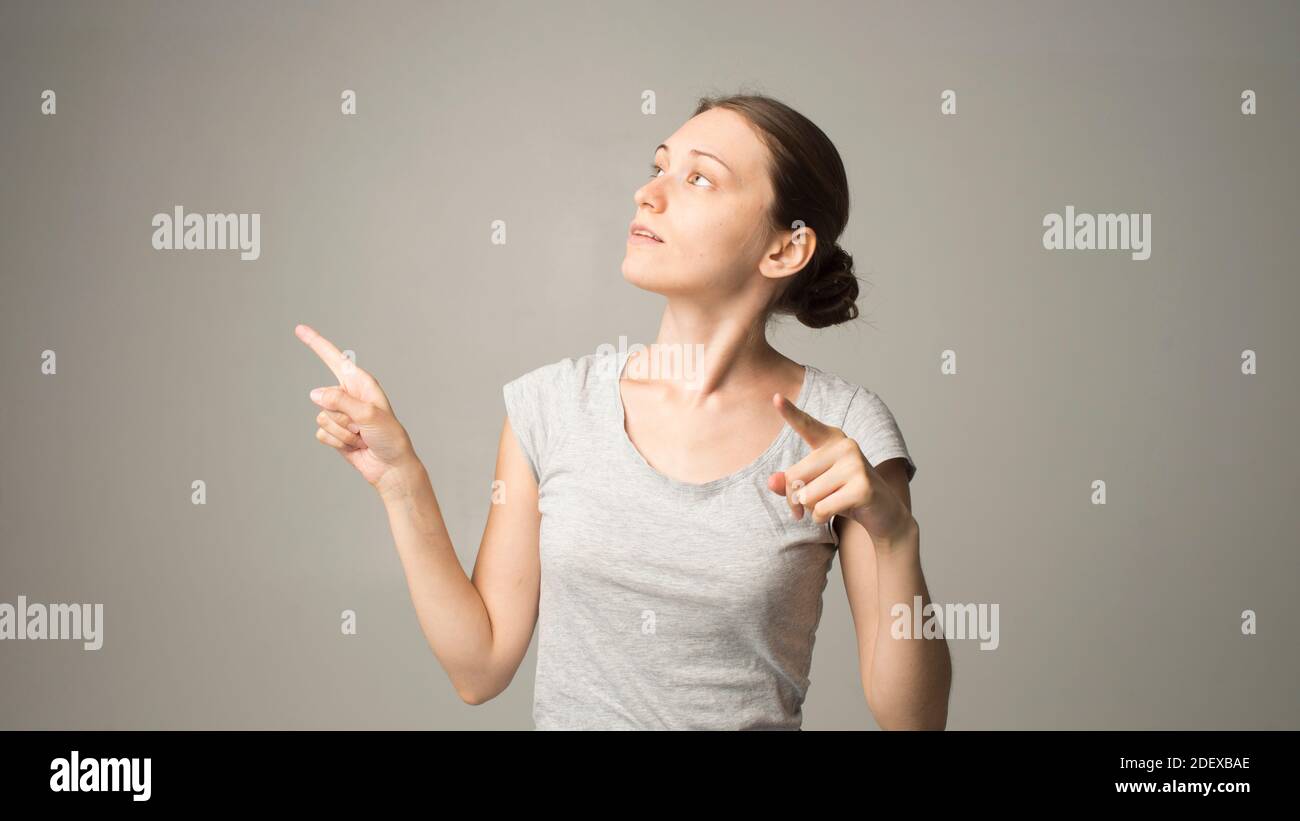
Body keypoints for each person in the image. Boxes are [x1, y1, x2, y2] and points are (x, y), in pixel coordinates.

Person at [296, 92, 951, 730]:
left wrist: (894, 537)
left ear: (783, 249)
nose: (650, 192)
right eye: (659, 165)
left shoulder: (847, 429)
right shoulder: (551, 406)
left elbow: (913, 720)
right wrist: (400, 481)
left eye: (699, 178)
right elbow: (480, 667)